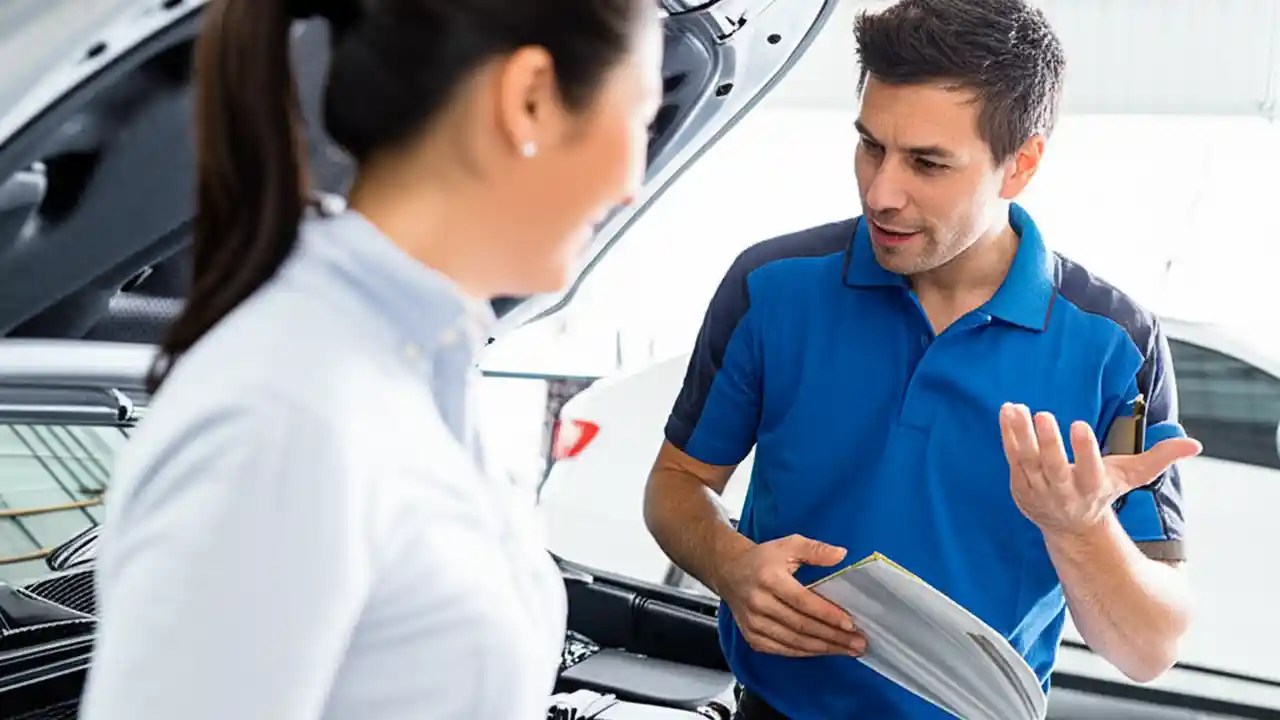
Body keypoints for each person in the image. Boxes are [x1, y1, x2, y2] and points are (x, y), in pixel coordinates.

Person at [80, 0, 661, 718]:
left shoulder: (416, 376)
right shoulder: (283, 416)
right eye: (641, 118)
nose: (634, 184)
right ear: (530, 100)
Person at [642, 1, 1200, 718]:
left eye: (927, 164)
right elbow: (676, 483)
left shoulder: (1115, 345)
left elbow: (1149, 650)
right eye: (871, 146)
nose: (882, 192)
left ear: (1020, 164)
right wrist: (729, 565)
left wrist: (1080, 527)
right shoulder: (771, 286)